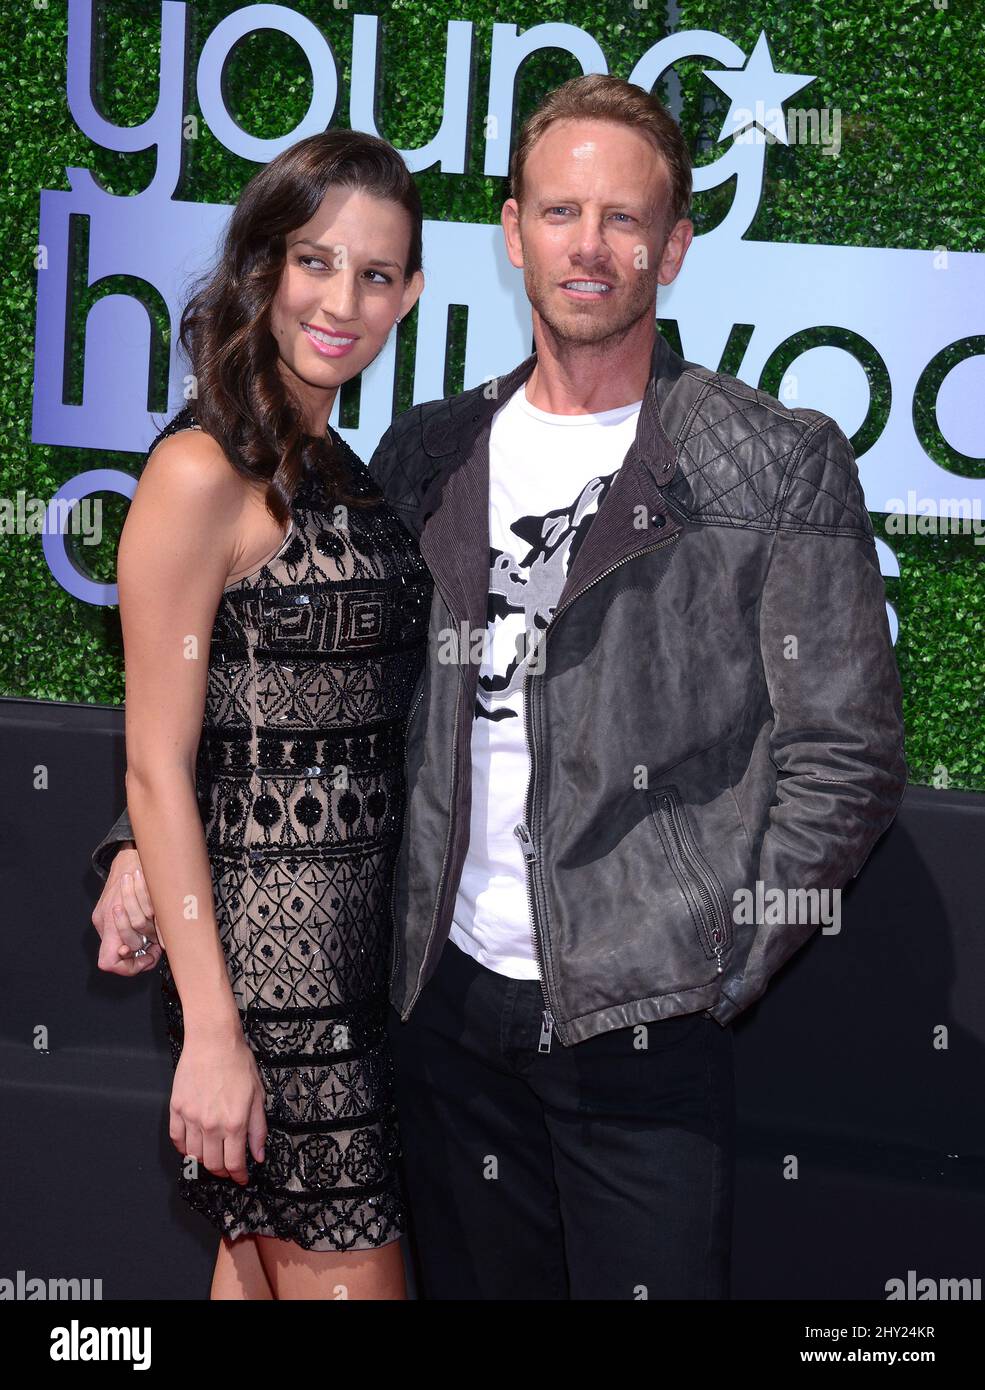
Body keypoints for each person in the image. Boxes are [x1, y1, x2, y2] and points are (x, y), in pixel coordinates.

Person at [91, 75, 907, 1300]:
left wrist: (711, 957)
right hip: (431, 1012)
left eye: (624, 219)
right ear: (512, 230)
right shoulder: (425, 452)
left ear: (674, 247)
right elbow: (291, 671)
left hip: (642, 1027)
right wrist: (134, 839)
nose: (590, 244)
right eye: (561, 211)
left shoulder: (772, 458)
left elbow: (845, 754)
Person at [92, 128, 426, 1299]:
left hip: (354, 974)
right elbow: (156, 765)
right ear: (263, 267)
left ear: (411, 292)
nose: (344, 300)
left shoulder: (338, 463)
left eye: (376, 274)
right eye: (316, 262)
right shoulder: (200, 471)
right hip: (269, 999)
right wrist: (217, 1036)